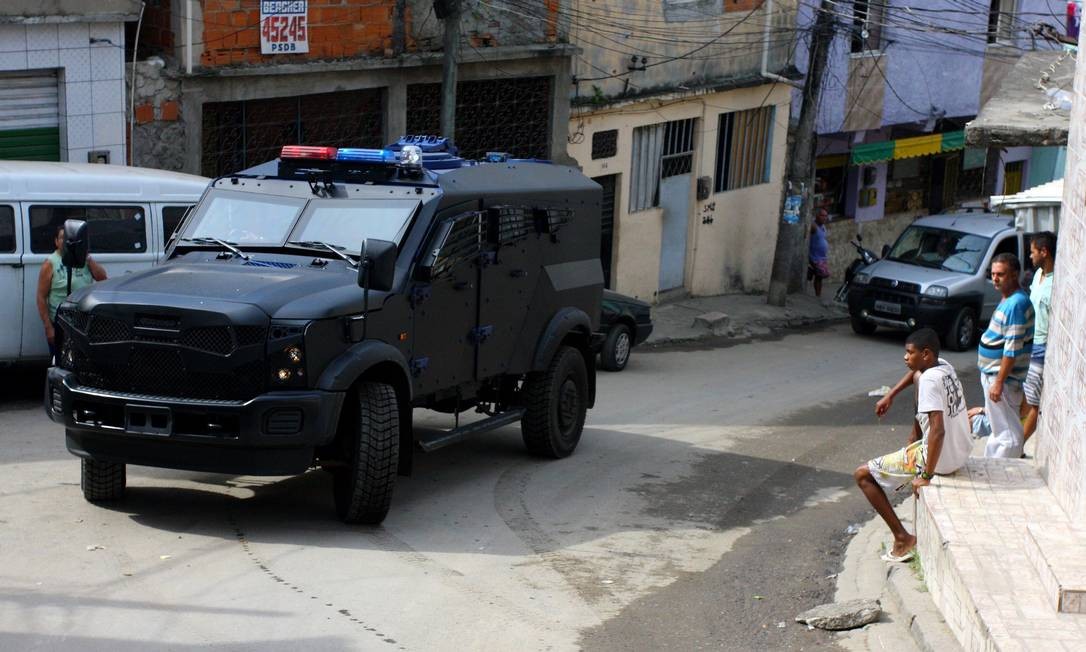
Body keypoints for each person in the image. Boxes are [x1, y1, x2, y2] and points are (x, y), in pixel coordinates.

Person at [857, 328, 970, 562]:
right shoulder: (943, 367)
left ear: (926, 354)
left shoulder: (929, 380)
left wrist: (926, 475)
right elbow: (916, 373)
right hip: (960, 451)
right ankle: (916, 447)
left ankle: (902, 538)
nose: (905, 358)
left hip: (942, 460)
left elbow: (937, 431)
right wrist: (892, 394)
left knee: (862, 475)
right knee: (918, 377)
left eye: (910, 353)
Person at [978, 253, 1033, 458]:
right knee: (999, 428)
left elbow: (1012, 348)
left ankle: (1003, 470)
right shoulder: (1008, 299)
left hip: (1002, 379)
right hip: (995, 377)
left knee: (1009, 436)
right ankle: (991, 464)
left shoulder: (1015, 304)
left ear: (1014, 275)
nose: (995, 278)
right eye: (992, 274)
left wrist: (999, 382)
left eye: (1000, 274)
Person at [36, 224, 107, 359]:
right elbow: (41, 297)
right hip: (60, 323)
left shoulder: (84, 259)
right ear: (56, 242)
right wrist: (48, 328)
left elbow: (103, 278)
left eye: (69, 238)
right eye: (62, 238)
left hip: (83, 321)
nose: (66, 241)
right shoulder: (50, 263)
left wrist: (88, 258)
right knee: (60, 360)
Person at [1023, 232, 1056, 444]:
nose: (1030, 257)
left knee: (1034, 401)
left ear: (1044, 252)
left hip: (1042, 347)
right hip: (1028, 343)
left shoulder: (1058, 282)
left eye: (1033, 252)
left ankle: (1018, 444)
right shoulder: (1037, 275)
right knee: (1024, 396)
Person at [807, 208, 830, 298]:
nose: (824, 218)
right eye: (822, 215)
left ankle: (818, 296)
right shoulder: (813, 226)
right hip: (815, 257)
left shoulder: (823, 227)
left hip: (822, 257)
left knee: (819, 277)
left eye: (825, 216)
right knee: (821, 274)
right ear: (817, 216)